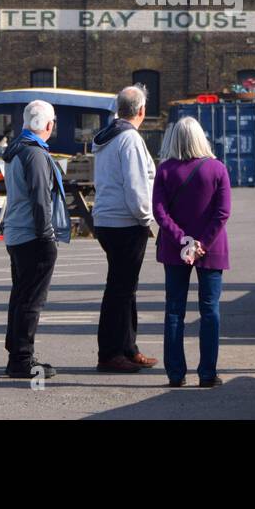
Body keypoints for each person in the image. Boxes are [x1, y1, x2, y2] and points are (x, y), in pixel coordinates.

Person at [152, 116, 231, 388]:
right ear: (201, 138)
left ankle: (176, 374)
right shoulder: (217, 168)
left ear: (175, 138)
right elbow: (222, 213)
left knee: (175, 310)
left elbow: (159, 212)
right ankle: (207, 373)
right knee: (210, 310)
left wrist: (183, 240)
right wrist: (201, 244)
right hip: (211, 247)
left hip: (176, 248)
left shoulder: (164, 170)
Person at [90, 85, 158, 373]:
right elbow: (136, 185)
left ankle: (128, 348)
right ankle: (110, 353)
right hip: (125, 222)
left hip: (107, 219)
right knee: (120, 290)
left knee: (124, 288)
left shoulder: (108, 136)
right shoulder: (129, 138)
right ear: (141, 110)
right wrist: (147, 219)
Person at [1, 99, 71, 379]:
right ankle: (22, 359)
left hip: (16, 233)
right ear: (50, 125)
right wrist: (46, 237)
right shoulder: (37, 155)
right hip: (33, 235)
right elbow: (41, 199)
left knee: (20, 295)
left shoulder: (17, 150)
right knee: (31, 299)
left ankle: (16, 353)